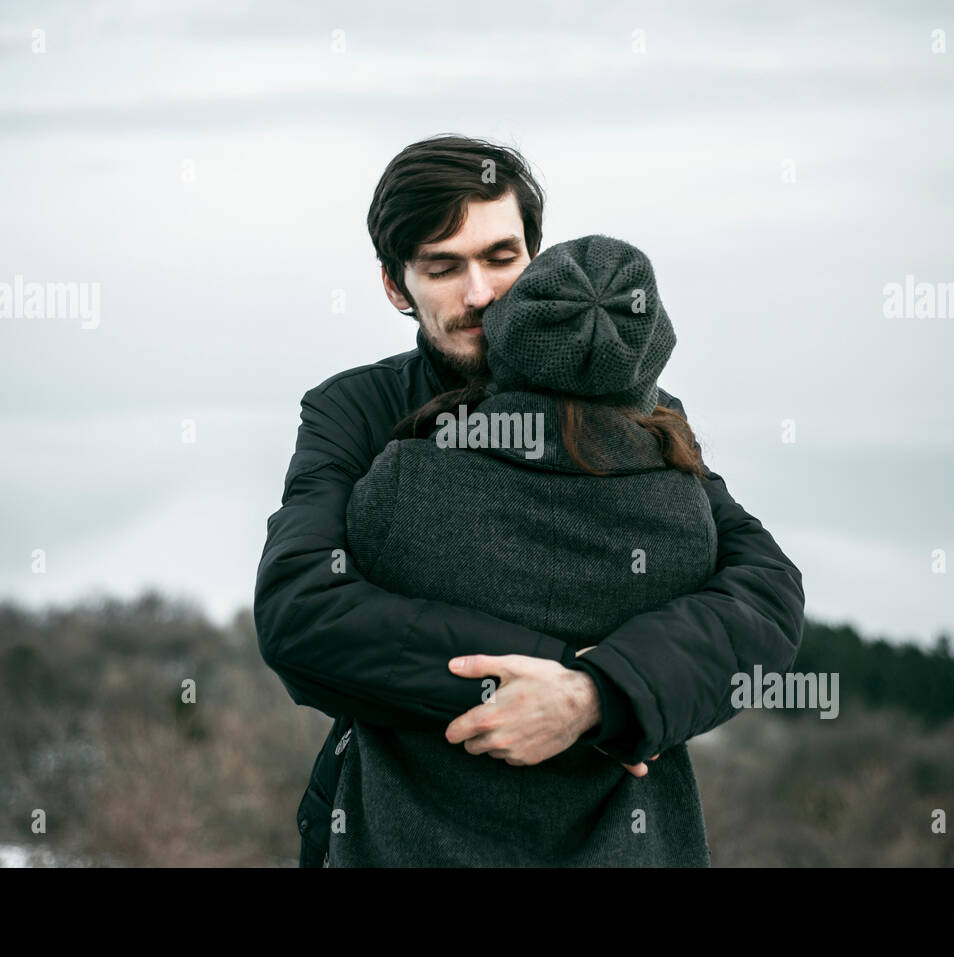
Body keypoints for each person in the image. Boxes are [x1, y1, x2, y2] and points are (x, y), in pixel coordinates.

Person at [252, 134, 806, 868]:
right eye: (443, 267)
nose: (479, 293)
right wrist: (547, 679)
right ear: (395, 285)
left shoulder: (636, 406)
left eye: (500, 257)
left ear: (537, 259)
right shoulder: (357, 409)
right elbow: (300, 609)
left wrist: (594, 694)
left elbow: (766, 595)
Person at [333, 233, 719, 865]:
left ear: (513, 331)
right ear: (650, 358)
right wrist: (595, 690)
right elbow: (756, 603)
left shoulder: (399, 486)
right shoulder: (689, 519)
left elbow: (313, 614)